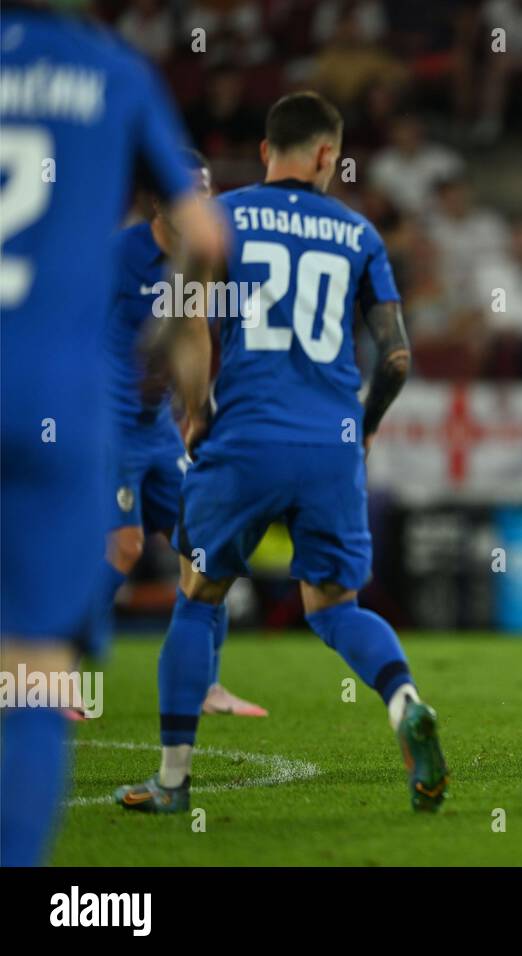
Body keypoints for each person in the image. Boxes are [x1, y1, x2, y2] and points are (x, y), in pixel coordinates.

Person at [113, 92, 448, 812]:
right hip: (328, 443)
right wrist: (362, 428)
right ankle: (404, 701)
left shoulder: (221, 216)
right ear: (328, 155)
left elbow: (189, 322)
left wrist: (197, 411)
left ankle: (172, 782)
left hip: (244, 437)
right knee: (332, 605)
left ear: (267, 151)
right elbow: (394, 359)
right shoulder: (360, 233)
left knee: (199, 597)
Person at [1, 0, 225, 866]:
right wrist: (181, 341)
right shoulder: (115, 72)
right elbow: (205, 233)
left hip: (107, 411)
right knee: (32, 667)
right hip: (58, 397)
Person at [103, 149, 265, 718]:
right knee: (122, 548)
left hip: (160, 430)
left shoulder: (200, 257)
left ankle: (207, 685)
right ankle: (58, 676)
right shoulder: (118, 256)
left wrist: (201, 410)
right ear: (156, 201)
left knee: (204, 547)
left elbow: (196, 329)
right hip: (110, 427)